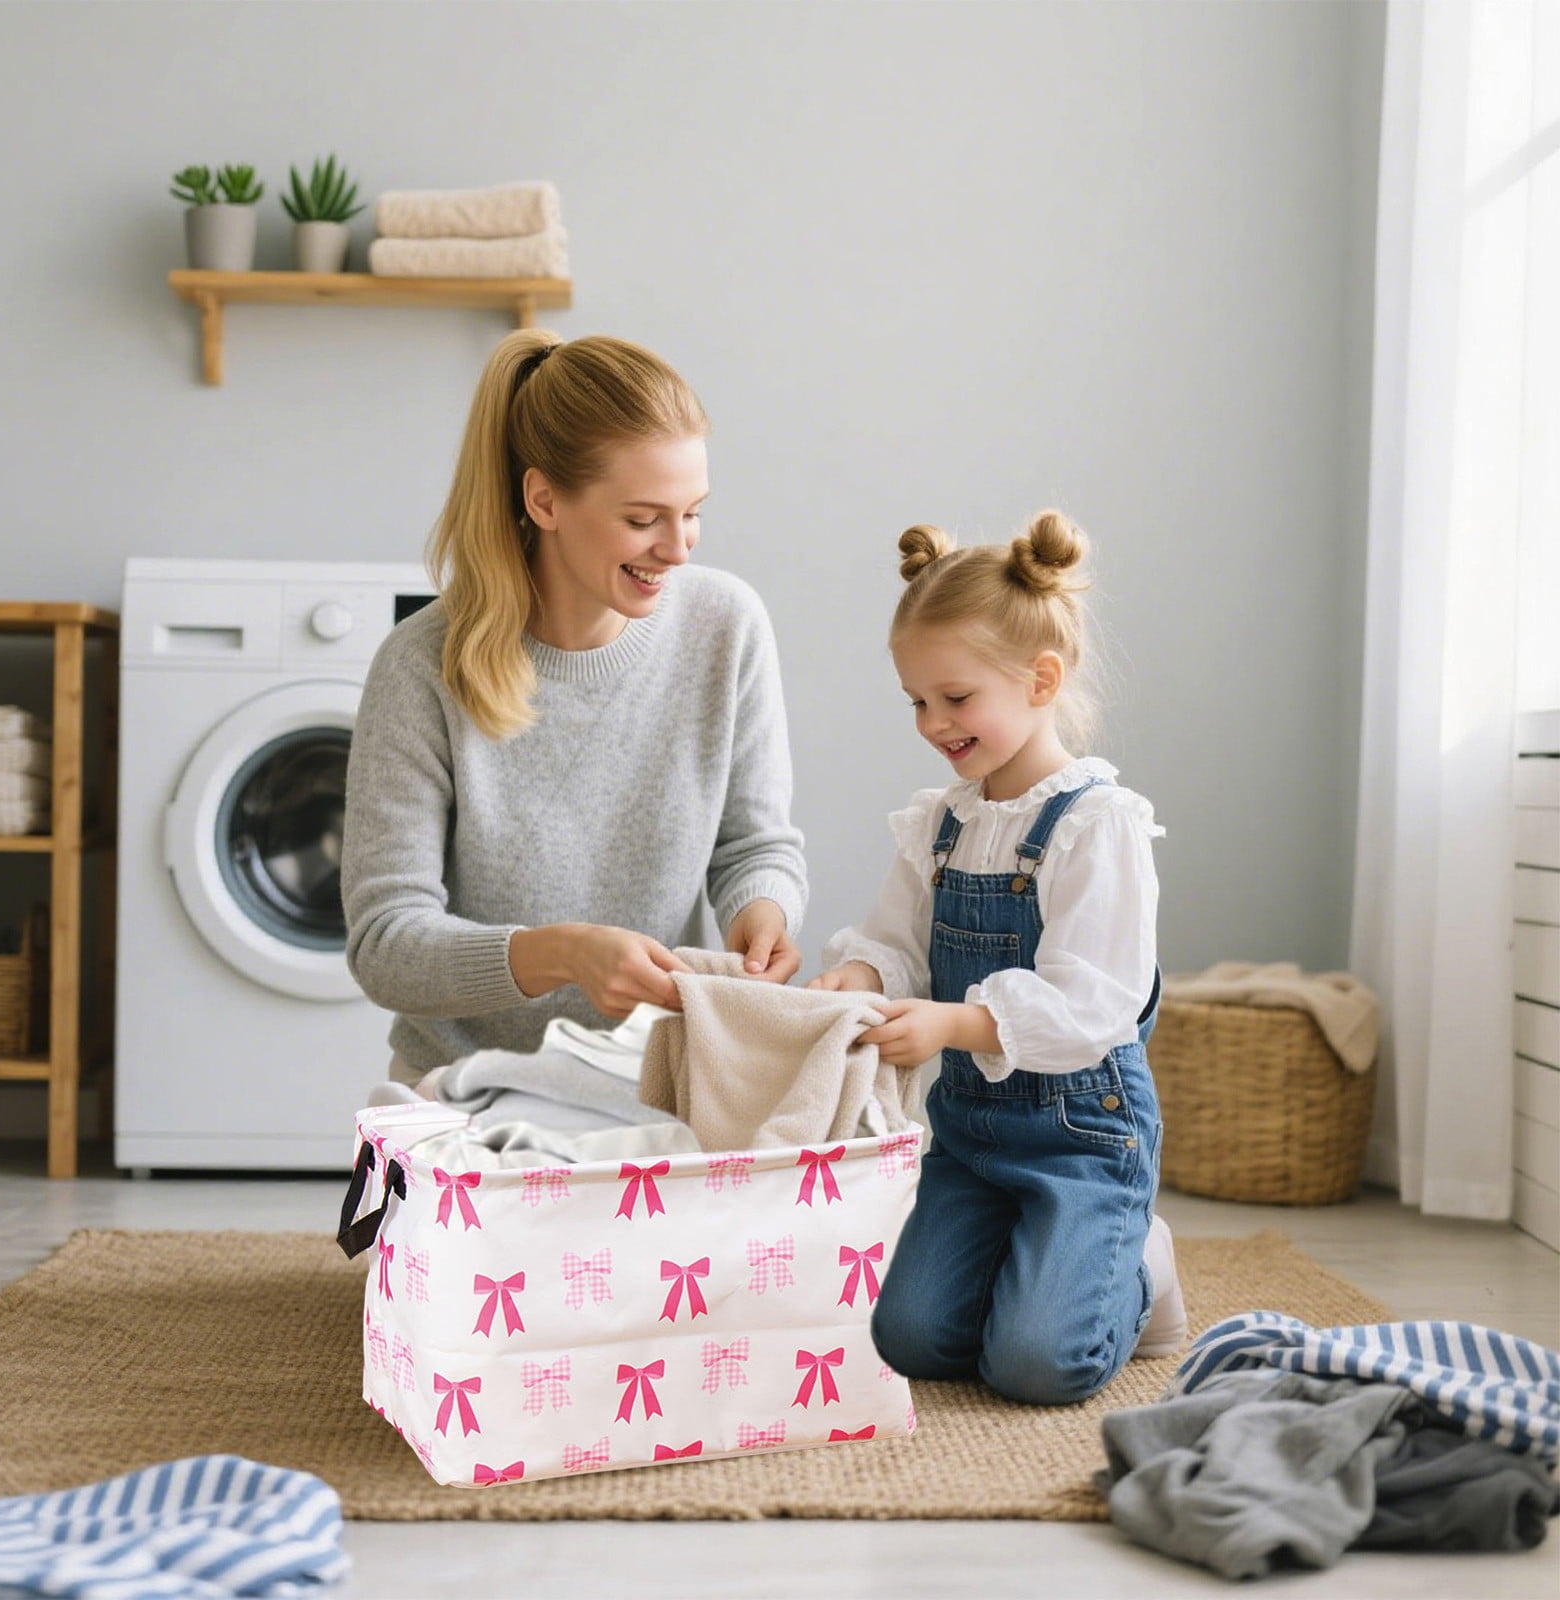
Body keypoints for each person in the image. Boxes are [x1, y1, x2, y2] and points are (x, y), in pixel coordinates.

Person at [342, 331, 807, 1085]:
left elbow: (755, 844)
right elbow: (387, 947)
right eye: (643, 518)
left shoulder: (727, 625)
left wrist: (763, 913)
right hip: (463, 1093)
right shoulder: (420, 667)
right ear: (545, 499)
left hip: (656, 1081)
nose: (679, 548)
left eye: (693, 513)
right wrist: (561, 953)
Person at [808, 510, 1186, 1406]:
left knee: (1036, 1365)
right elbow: (894, 940)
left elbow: (1095, 1005)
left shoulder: (1098, 824)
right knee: (912, 1339)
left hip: (1082, 1136)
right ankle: (1031, 1261)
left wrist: (954, 1023)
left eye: (955, 697)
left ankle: (1145, 1266)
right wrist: (856, 981)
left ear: (1041, 678)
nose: (934, 722)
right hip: (975, 1138)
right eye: (917, 702)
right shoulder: (940, 822)